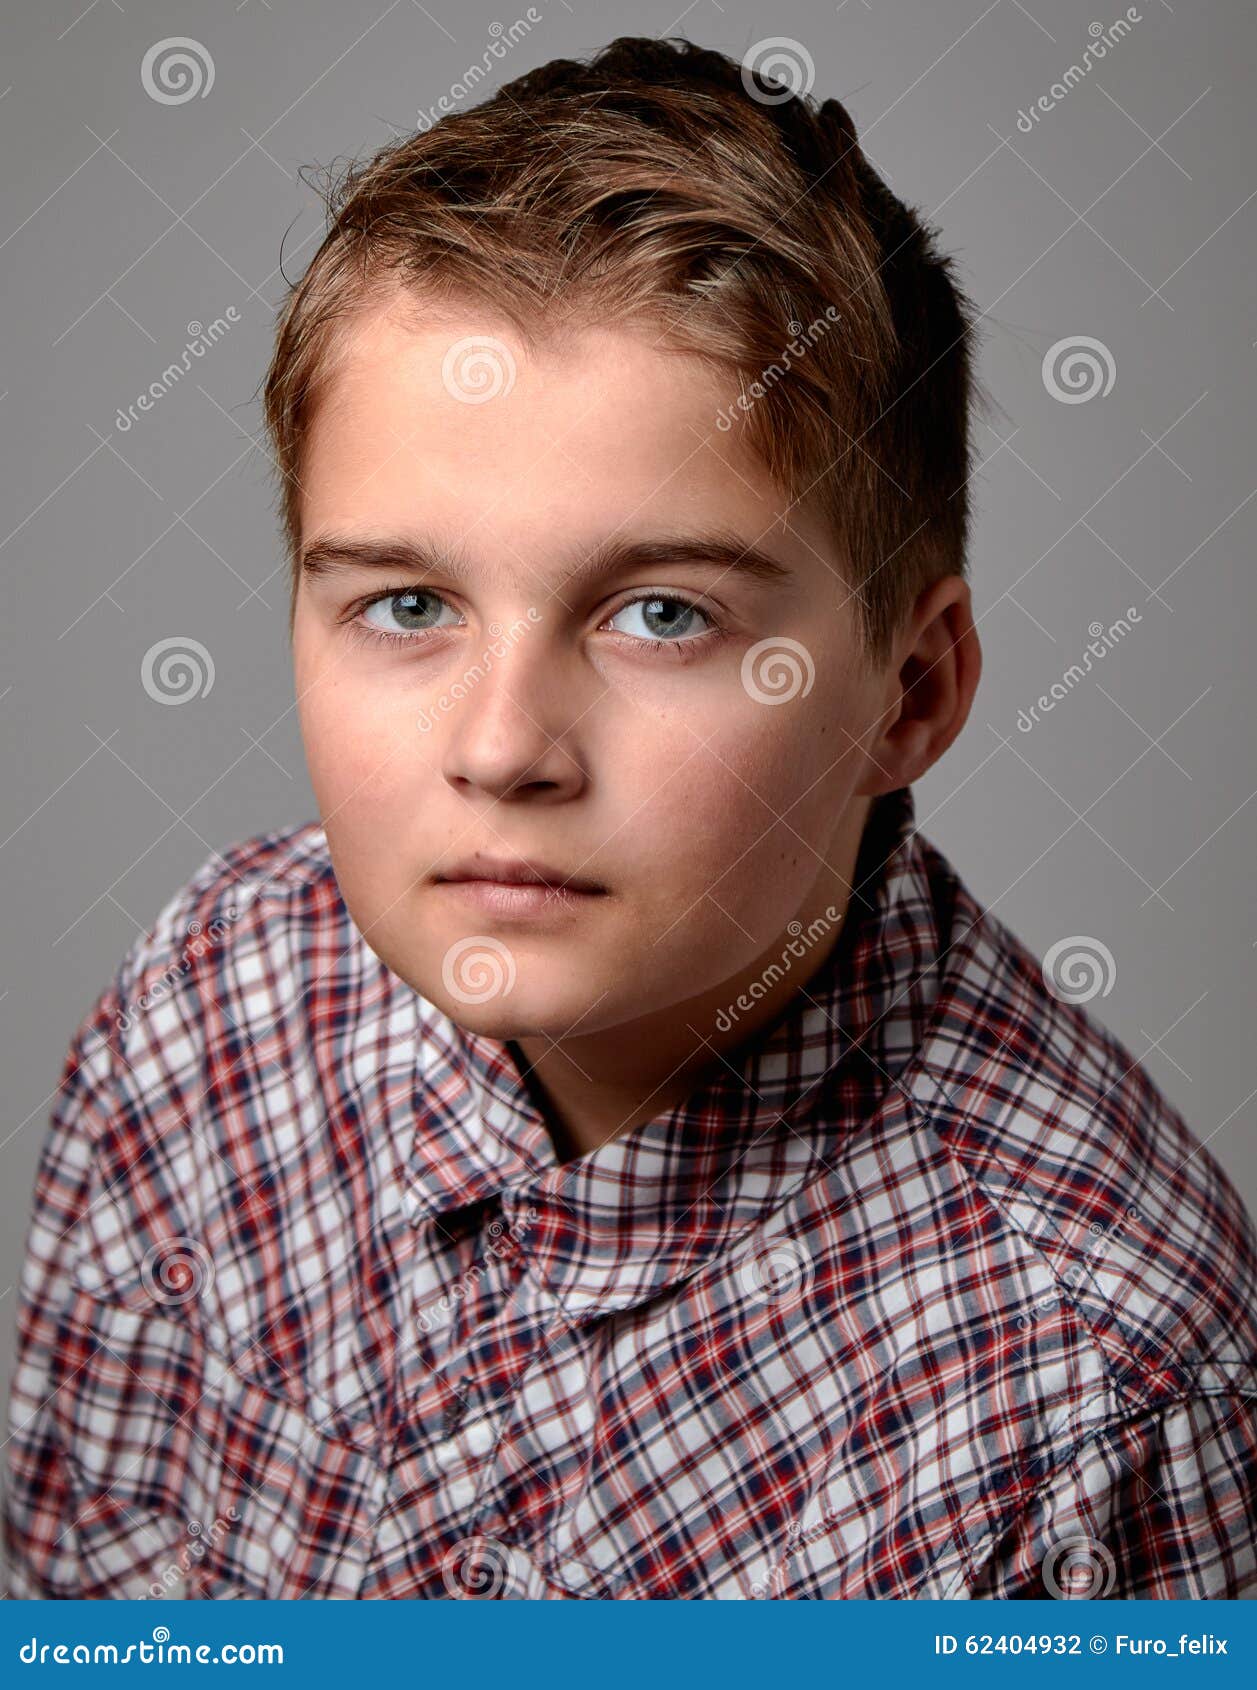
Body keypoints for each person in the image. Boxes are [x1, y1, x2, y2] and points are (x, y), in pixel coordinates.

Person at [5, 36, 1255, 1601]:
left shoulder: (1098, 1384)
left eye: (662, 614)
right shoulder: (204, 1014)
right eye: (407, 604)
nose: (502, 748)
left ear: (910, 690)